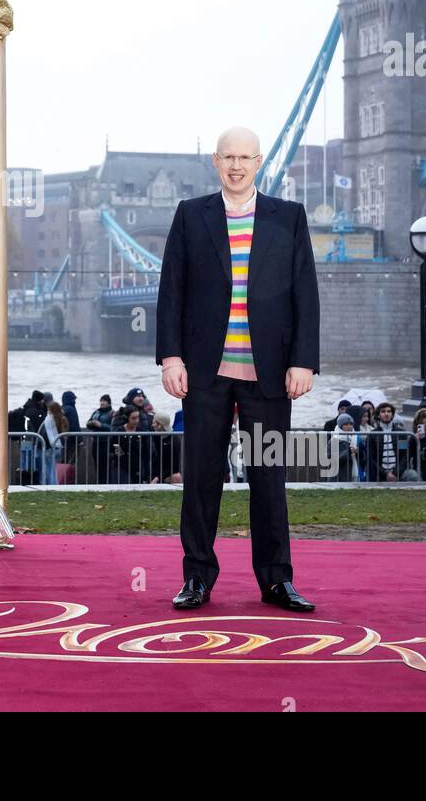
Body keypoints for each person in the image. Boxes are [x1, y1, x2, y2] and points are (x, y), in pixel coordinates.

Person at [156, 126, 320, 613]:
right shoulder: (190, 215)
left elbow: (304, 293)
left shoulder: (288, 217)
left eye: (245, 157)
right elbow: (172, 291)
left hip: (270, 372)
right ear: (215, 161)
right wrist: (171, 357)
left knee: (269, 477)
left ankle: (276, 582)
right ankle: (197, 579)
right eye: (228, 156)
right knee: (201, 479)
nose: (236, 165)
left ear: (259, 161)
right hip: (204, 371)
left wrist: (303, 361)